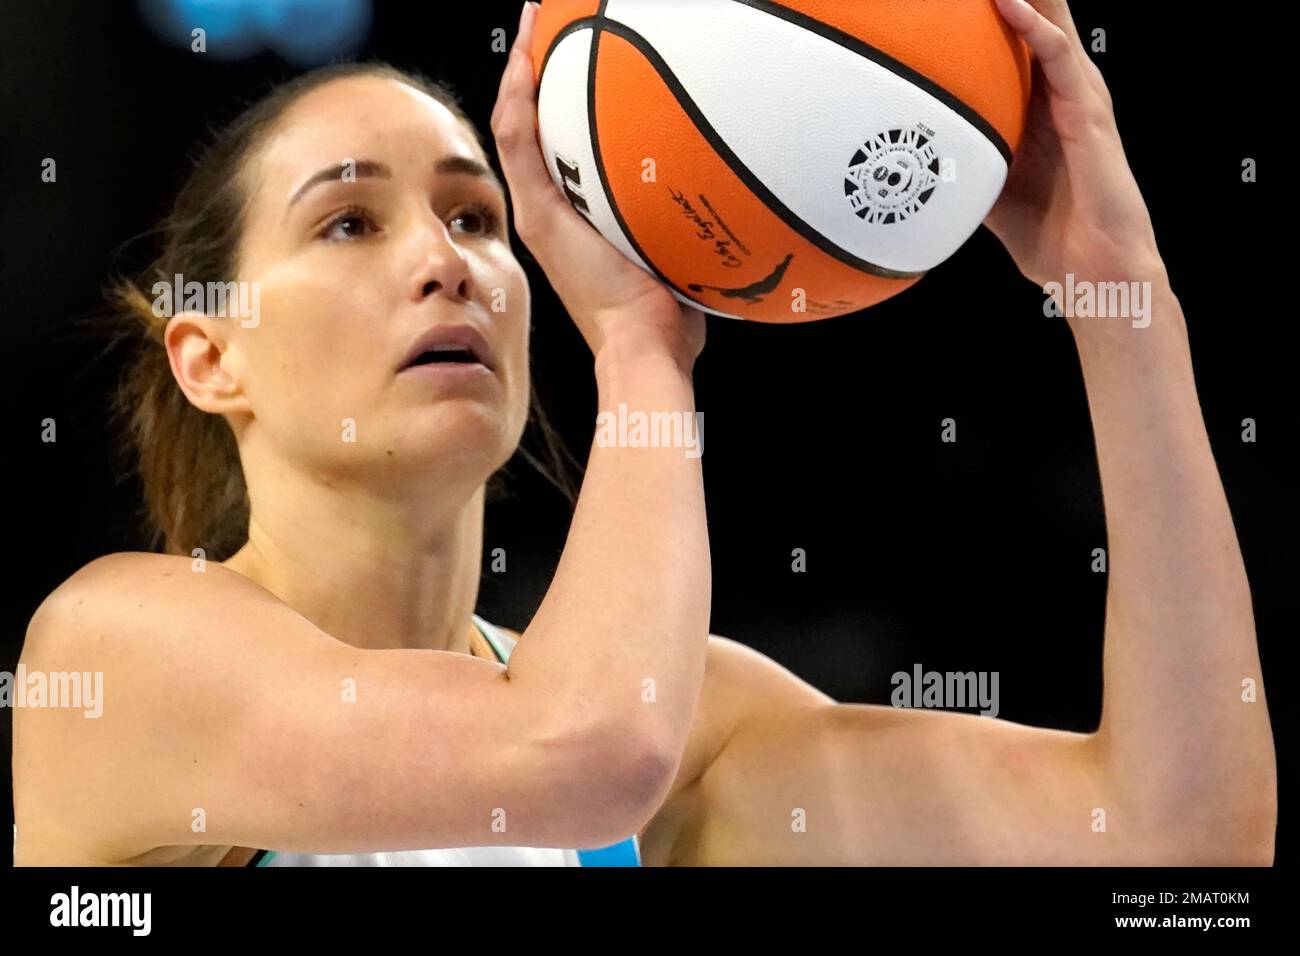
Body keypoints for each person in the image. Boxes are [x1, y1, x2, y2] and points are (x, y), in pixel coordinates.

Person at [13, 0, 1275, 866]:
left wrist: (1121, 298)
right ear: (209, 353)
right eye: (348, 223)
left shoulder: (684, 726)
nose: (448, 264)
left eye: (476, 217)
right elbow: (578, 752)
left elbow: (1177, 838)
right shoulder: (118, 646)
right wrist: (640, 347)